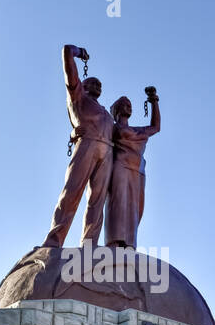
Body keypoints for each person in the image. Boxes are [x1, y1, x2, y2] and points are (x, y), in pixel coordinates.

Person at [43, 44, 114, 247]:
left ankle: (89, 243)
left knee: (97, 201)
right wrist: (79, 52)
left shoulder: (105, 112)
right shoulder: (78, 96)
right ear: (82, 84)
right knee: (72, 191)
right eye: (93, 82)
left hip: (107, 151)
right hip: (87, 145)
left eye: (100, 84)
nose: (98, 84)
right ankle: (55, 239)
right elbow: (66, 52)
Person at [105, 87, 160, 248]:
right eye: (124, 104)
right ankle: (114, 241)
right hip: (120, 167)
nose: (128, 106)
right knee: (117, 204)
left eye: (129, 104)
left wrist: (154, 101)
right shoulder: (113, 128)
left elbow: (156, 127)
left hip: (138, 171)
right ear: (116, 109)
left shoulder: (138, 130)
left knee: (135, 209)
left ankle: (130, 243)